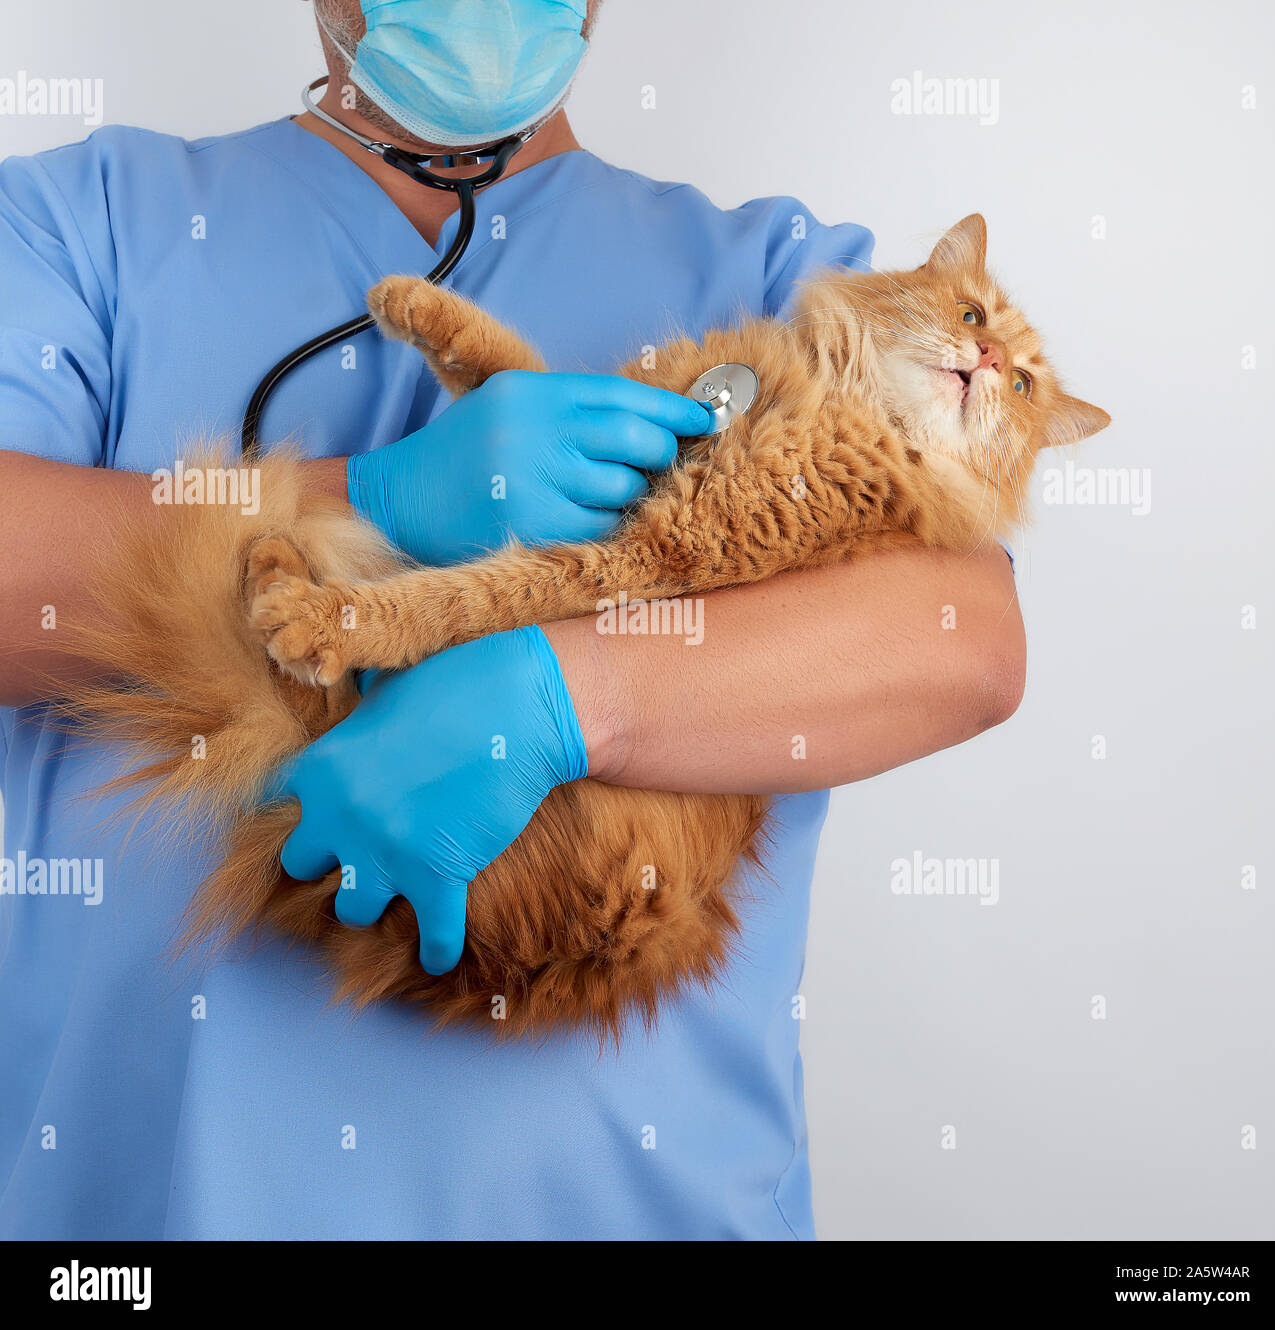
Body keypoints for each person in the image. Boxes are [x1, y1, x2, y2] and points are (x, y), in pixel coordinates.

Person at [0, 0, 1024, 1239]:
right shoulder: (83, 223)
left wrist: (571, 697)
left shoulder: (773, 271)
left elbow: (963, 636)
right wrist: (375, 498)